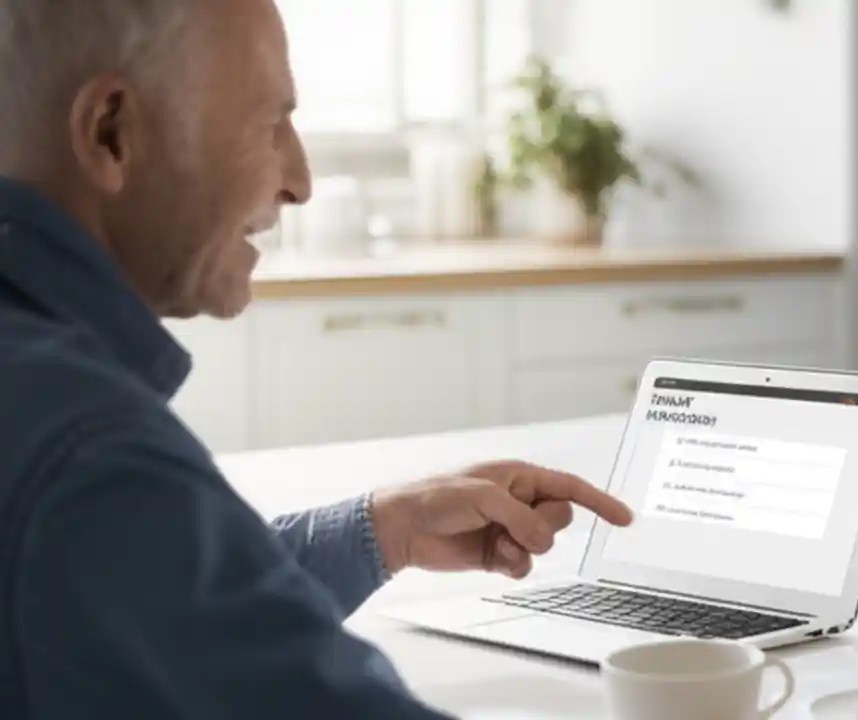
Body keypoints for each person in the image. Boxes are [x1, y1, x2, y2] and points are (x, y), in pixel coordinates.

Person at [0, 1, 634, 717]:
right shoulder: (89, 459)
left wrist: (387, 528)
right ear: (111, 131)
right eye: (269, 124)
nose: (299, 181)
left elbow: (132, 588)